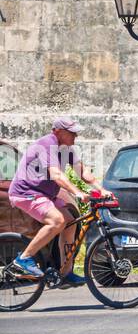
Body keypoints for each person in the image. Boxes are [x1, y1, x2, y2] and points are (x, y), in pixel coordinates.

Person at [5, 117, 103, 286]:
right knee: (57, 221)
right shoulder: (46, 144)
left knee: (70, 222)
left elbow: (82, 171)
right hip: (26, 193)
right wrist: (77, 193)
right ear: (58, 131)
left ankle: (65, 273)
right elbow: (57, 175)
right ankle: (23, 259)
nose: (75, 135)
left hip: (44, 194)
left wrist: (101, 189)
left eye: (76, 132)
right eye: (71, 132)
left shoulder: (67, 149)